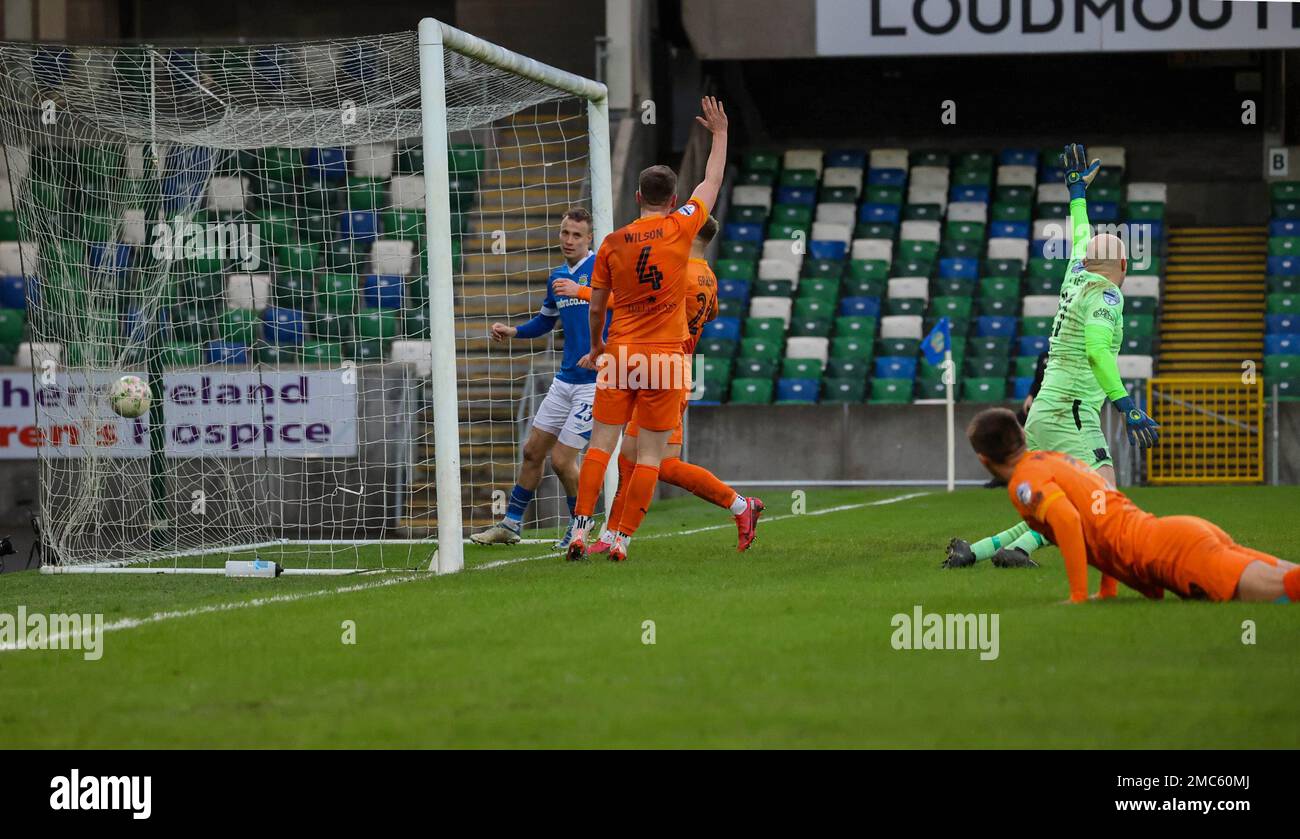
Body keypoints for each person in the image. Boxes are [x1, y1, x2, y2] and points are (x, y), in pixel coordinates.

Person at [945, 143, 1159, 570]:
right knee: (1100, 504)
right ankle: (1106, 569)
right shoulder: (1107, 293)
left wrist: (1077, 193)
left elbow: (1082, 234)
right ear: (1123, 262)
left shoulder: (1078, 270)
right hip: (1071, 414)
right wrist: (1127, 407)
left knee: (1077, 501)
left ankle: (983, 551)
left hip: (1052, 409)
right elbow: (1098, 353)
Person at [566, 96, 729, 563]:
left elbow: (597, 305)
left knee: (601, 445)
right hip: (667, 358)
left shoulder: (613, 243)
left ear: (637, 197)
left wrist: (596, 345)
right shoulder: (682, 227)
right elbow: (712, 179)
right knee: (651, 457)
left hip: (620, 353)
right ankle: (621, 540)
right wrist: (719, 134)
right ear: (673, 200)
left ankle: (579, 529)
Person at [966, 407, 1300, 604]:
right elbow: (1099, 525)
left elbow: (1069, 521)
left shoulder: (1026, 481)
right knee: (1287, 578)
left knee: (1285, 590)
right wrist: (1107, 590)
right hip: (1173, 535)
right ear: (1023, 435)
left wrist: (1078, 596)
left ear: (984, 459)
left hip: (1169, 552)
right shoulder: (1053, 460)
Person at [469, 208, 600, 548]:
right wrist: (513, 331)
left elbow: (621, 302)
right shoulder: (557, 276)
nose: (569, 240)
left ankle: (580, 525)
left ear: (589, 239)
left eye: (577, 235)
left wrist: (581, 291)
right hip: (565, 379)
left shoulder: (602, 268)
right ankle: (511, 524)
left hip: (596, 382)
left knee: (562, 460)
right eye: (565, 233)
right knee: (532, 451)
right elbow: (546, 321)